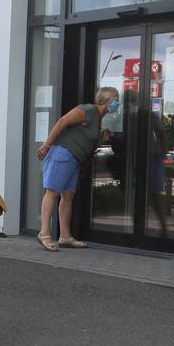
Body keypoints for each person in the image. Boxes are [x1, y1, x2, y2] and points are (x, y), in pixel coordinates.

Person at [34, 87, 119, 251]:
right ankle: (44, 233)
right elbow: (62, 122)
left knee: (67, 196)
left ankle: (65, 236)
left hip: (74, 159)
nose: (117, 104)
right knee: (52, 192)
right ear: (107, 100)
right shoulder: (87, 110)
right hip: (62, 153)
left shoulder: (98, 118)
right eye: (116, 100)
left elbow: (86, 141)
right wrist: (46, 145)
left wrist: (102, 138)